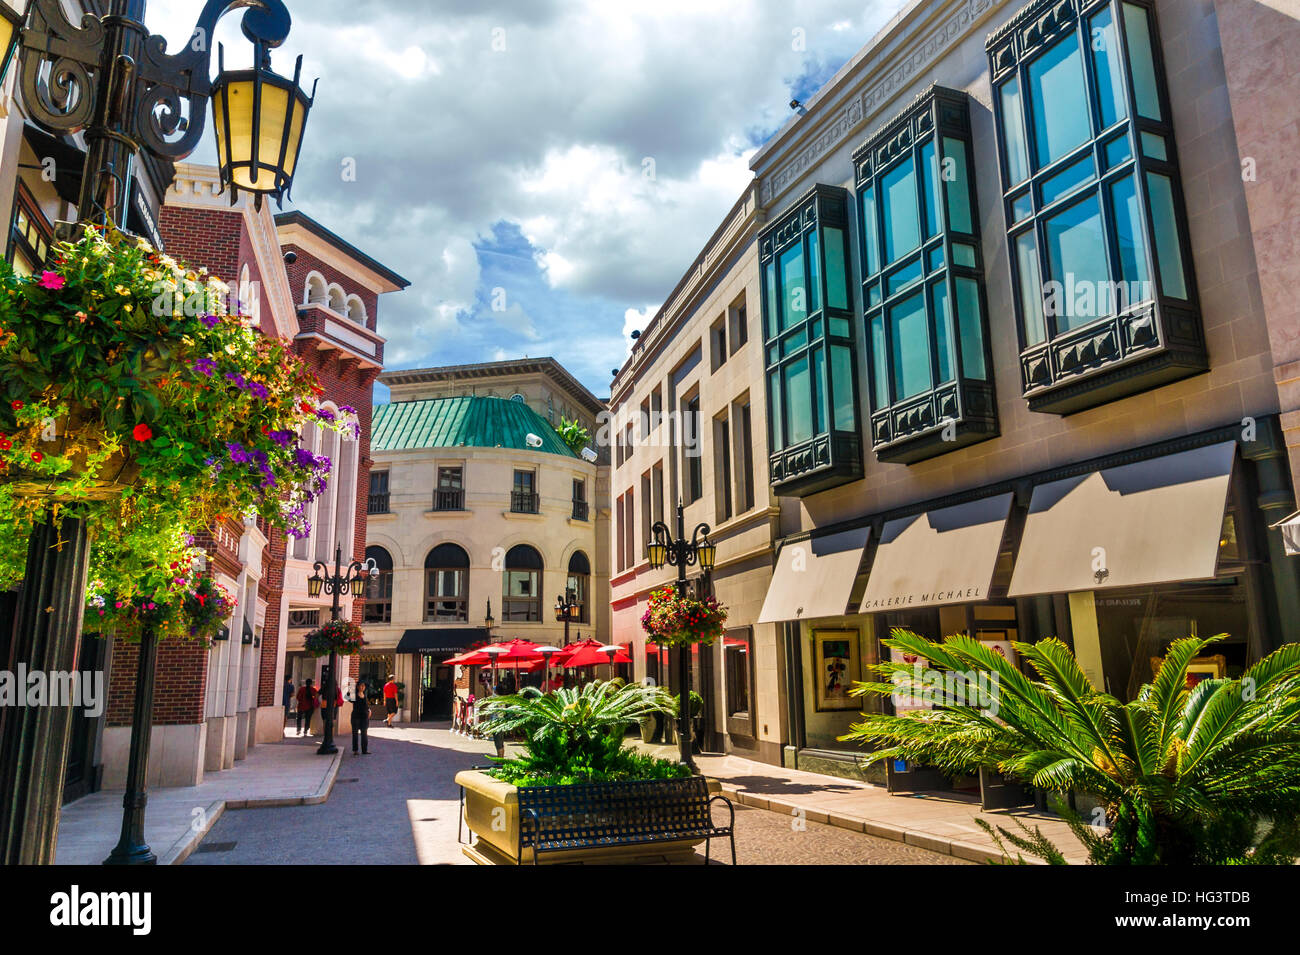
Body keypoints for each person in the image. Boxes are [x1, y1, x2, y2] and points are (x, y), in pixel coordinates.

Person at [351, 680, 370, 755]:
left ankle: (364, 750)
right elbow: (346, 696)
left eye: (364, 686)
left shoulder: (364, 694)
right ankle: (355, 750)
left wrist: (369, 710)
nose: (362, 687)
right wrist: (351, 688)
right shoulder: (354, 695)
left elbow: (365, 705)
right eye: (361, 686)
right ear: (358, 686)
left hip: (364, 717)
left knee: (364, 734)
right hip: (356, 716)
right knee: (355, 734)